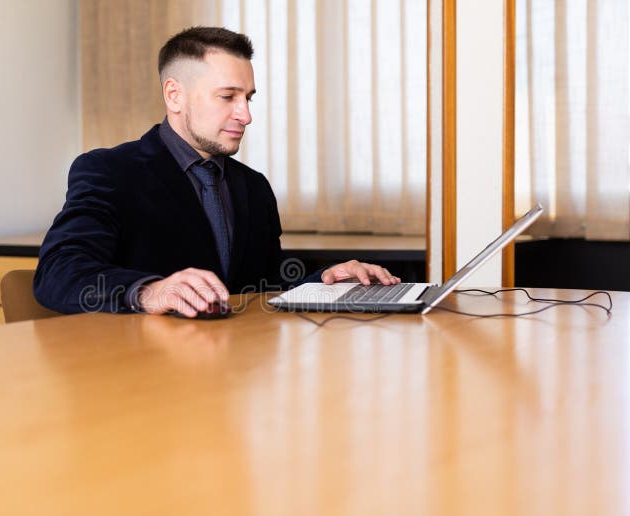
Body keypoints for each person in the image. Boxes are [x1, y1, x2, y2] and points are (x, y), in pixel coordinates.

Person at [34, 26, 400, 318]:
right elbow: (58, 273)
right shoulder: (110, 171)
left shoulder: (253, 187)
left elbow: (261, 288)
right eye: (228, 97)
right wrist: (149, 290)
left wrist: (323, 281)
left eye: (249, 97)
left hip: (235, 376)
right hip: (143, 379)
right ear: (174, 96)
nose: (246, 115)